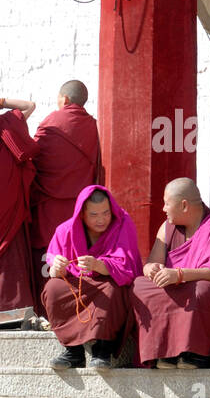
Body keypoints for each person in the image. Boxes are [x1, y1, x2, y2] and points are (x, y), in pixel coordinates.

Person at [132, 178, 210, 368]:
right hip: (178, 288)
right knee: (139, 286)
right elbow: (151, 263)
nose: (163, 209)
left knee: (201, 289)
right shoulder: (167, 228)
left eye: (167, 203)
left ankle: (197, 352)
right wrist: (151, 269)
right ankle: (164, 352)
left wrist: (179, 275)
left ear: (184, 205)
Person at [43, 185, 141, 370]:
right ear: (81, 214)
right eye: (94, 215)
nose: (101, 220)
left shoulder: (122, 223)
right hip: (77, 283)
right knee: (53, 288)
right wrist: (57, 269)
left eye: (106, 213)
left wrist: (99, 265)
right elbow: (53, 267)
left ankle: (103, 350)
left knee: (112, 289)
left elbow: (127, 267)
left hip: (107, 283)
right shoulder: (66, 231)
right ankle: (73, 351)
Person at [28, 80, 100, 309]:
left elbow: (34, 159)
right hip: (80, 207)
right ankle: (76, 308)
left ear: (66, 99)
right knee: (75, 253)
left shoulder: (52, 122)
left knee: (48, 255)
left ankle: (45, 308)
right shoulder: (94, 126)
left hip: (49, 203)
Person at [0, 95, 38, 316]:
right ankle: (12, 310)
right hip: (9, 207)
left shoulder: (6, 127)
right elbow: (29, 106)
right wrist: (2, 102)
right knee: (11, 251)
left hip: (8, 203)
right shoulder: (7, 127)